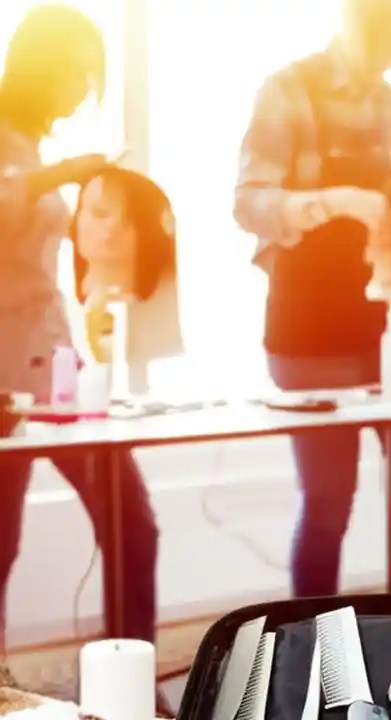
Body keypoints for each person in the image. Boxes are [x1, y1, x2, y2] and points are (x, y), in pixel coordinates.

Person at [234, 0, 391, 596]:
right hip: (306, 327)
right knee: (328, 501)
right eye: (390, 30)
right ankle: (307, 653)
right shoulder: (287, 92)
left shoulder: (388, 102)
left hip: (385, 316)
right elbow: (248, 202)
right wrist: (335, 202)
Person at [0, 4, 158, 651]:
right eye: (75, 75)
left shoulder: (31, 144)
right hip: (5, 377)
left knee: (132, 523)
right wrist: (64, 174)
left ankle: (131, 674)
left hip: (54, 363)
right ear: (43, 66)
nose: (77, 94)